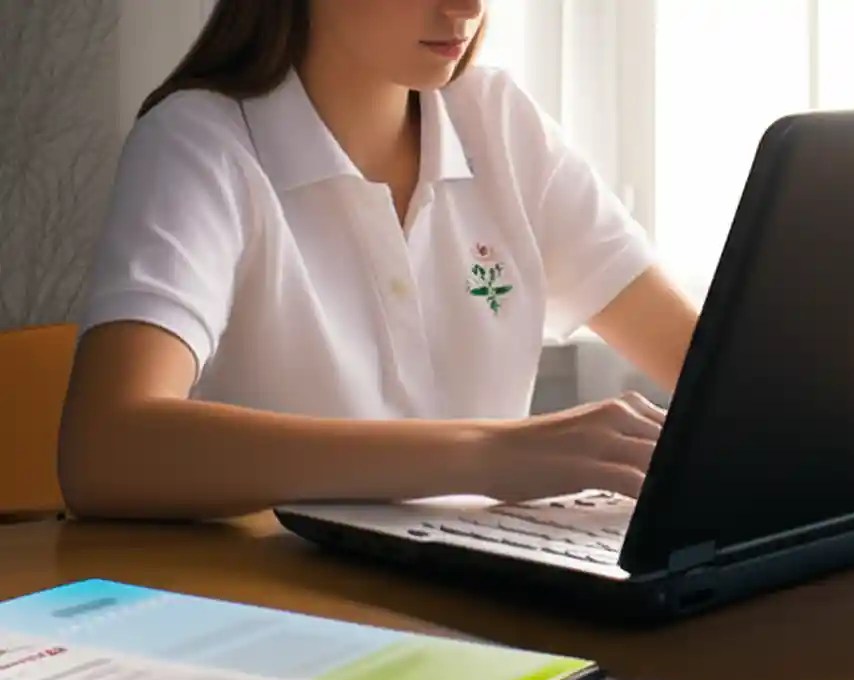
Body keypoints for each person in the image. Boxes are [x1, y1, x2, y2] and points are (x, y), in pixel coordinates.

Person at [58, 0, 699, 520]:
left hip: (478, 596)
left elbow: (709, 367)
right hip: (270, 608)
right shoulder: (199, 145)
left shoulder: (496, 118)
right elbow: (105, 448)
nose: (468, 7)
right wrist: (488, 453)